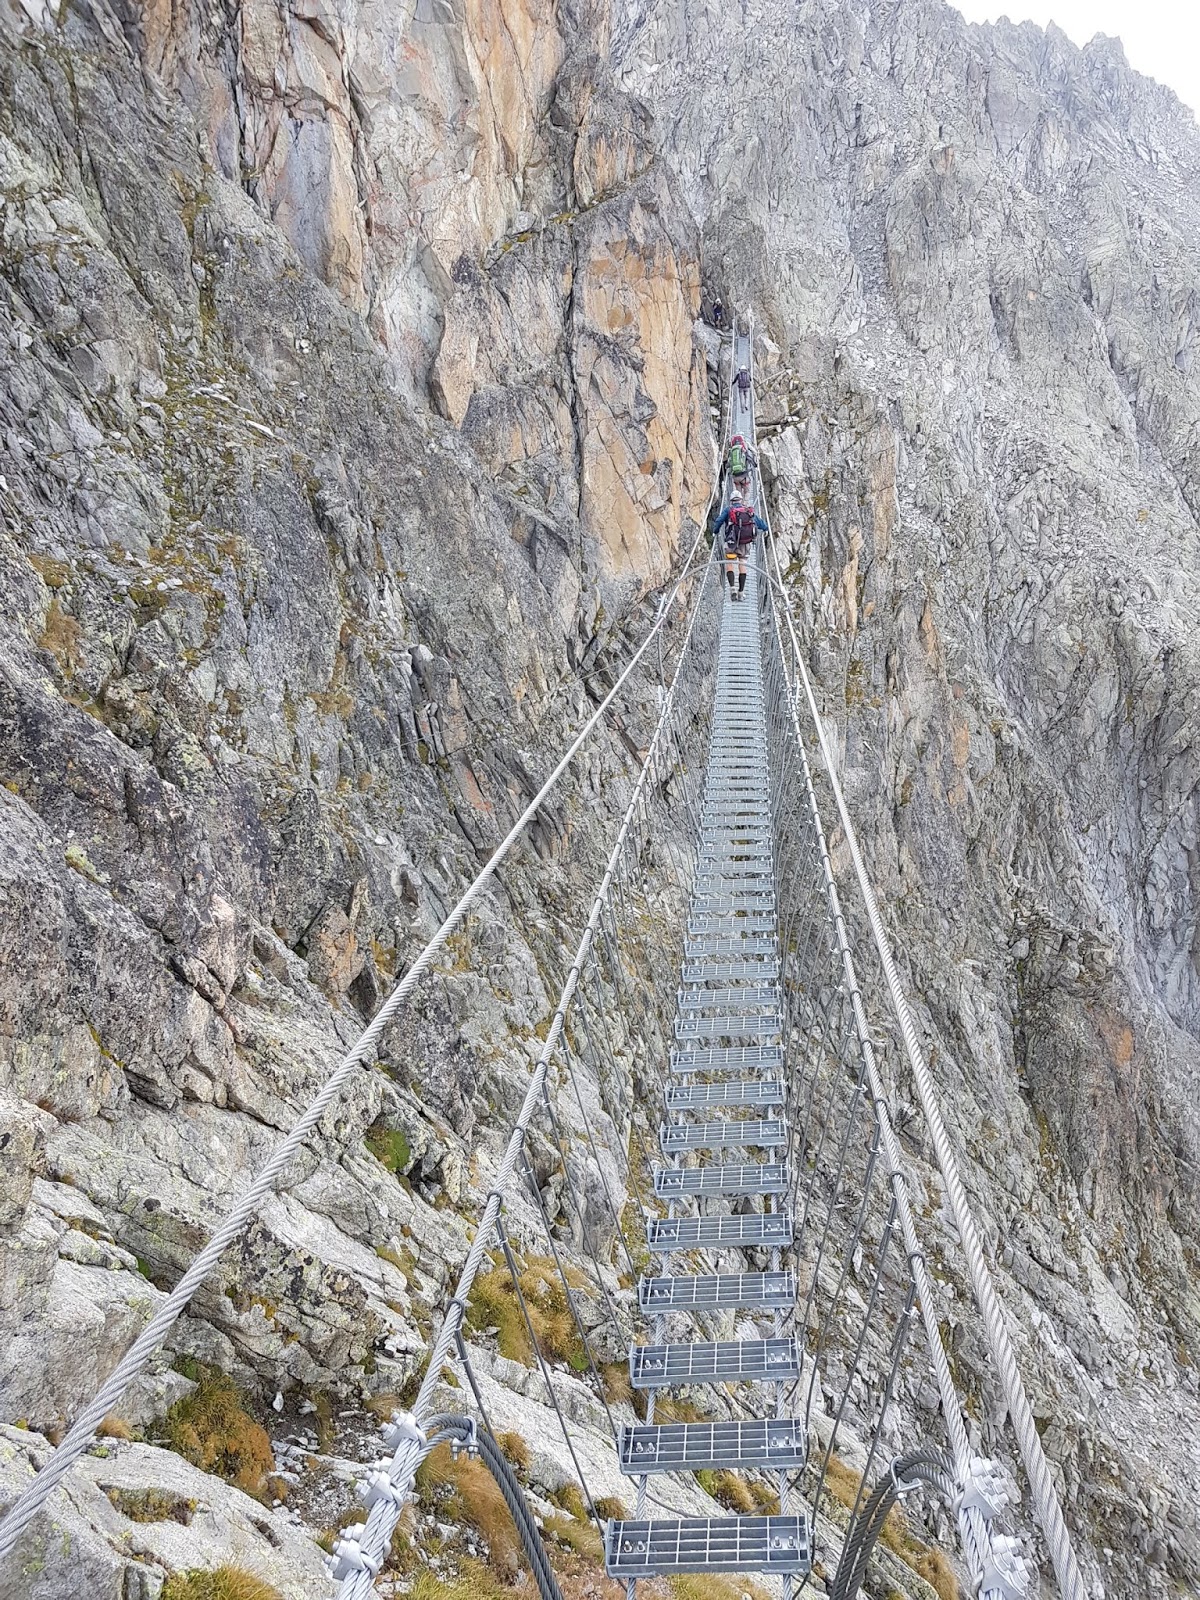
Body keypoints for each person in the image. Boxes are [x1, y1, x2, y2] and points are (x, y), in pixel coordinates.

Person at [712, 493, 766, 600]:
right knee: (742, 565)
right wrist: (765, 528)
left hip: (731, 543)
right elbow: (758, 521)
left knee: (730, 564)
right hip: (744, 544)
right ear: (741, 500)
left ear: (731, 501)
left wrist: (715, 531)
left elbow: (719, 521)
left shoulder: (728, 510)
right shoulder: (747, 510)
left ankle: (732, 588)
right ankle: (741, 593)